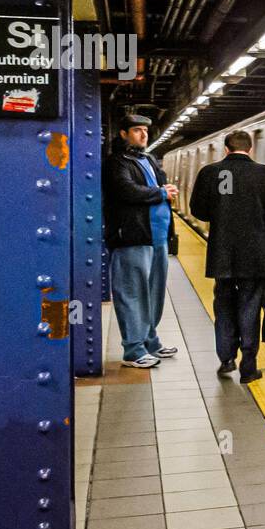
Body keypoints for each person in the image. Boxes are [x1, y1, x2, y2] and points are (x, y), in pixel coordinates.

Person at [189, 129, 265, 383]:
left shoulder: (211, 173)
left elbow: (197, 209)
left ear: (226, 149)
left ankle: (226, 359)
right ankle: (248, 367)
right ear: (250, 149)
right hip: (255, 255)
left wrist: (221, 214)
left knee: (224, 304)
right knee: (250, 306)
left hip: (221, 254)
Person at [103, 113, 179, 368]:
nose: (143, 135)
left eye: (145, 131)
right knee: (132, 292)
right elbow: (125, 190)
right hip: (132, 236)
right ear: (123, 134)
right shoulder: (117, 162)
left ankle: (150, 340)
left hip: (156, 237)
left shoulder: (148, 159)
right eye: (136, 130)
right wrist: (160, 193)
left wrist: (165, 192)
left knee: (154, 292)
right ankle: (133, 350)